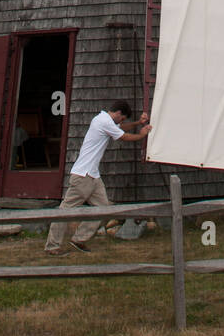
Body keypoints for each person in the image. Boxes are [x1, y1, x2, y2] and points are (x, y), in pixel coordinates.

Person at [45, 100, 150, 253]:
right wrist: (141, 135)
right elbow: (123, 136)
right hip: (83, 176)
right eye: (122, 118)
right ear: (119, 113)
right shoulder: (103, 121)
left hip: (93, 175)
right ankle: (52, 246)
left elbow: (120, 128)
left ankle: (79, 239)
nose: (122, 122)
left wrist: (137, 123)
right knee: (65, 211)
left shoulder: (106, 121)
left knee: (103, 209)